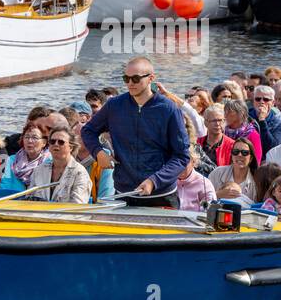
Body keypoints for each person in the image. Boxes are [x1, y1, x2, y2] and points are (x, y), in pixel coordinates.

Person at [81, 57, 190, 207]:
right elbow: (88, 130)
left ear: (151, 78)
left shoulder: (169, 109)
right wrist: (98, 153)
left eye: (136, 78)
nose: (130, 83)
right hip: (124, 193)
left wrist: (154, 181)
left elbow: (182, 156)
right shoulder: (114, 105)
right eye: (126, 78)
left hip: (161, 195)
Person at [28, 129, 92, 204]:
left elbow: (77, 206)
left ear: (71, 147)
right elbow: (29, 199)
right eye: (52, 141)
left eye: (61, 142)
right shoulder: (39, 170)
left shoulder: (80, 173)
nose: (56, 144)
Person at [208, 138, 260, 203]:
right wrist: (218, 194)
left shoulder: (257, 180)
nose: (239, 155)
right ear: (232, 156)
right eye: (235, 152)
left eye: (244, 153)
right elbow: (203, 198)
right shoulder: (217, 173)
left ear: (251, 158)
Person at [0, 125, 50, 191]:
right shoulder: (11, 160)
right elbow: (4, 184)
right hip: (13, 198)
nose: (30, 141)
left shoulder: (49, 161)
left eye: (35, 137)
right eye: (27, 137)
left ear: (44, 142)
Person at [219, 98, 263, 167]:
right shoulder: (222, 132)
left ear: (241, 114)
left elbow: (256, 160)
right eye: (225, 112)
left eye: (229, 112)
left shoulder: (252, 134)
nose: (225, 115)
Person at [249, 85, 281, 153]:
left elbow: (272, 147)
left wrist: (262, 120)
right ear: (253, 101)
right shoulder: (245, 117)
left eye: (266, 99)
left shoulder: (278, 123)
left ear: (273, 103)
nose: (261, 102)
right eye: (258, 99)